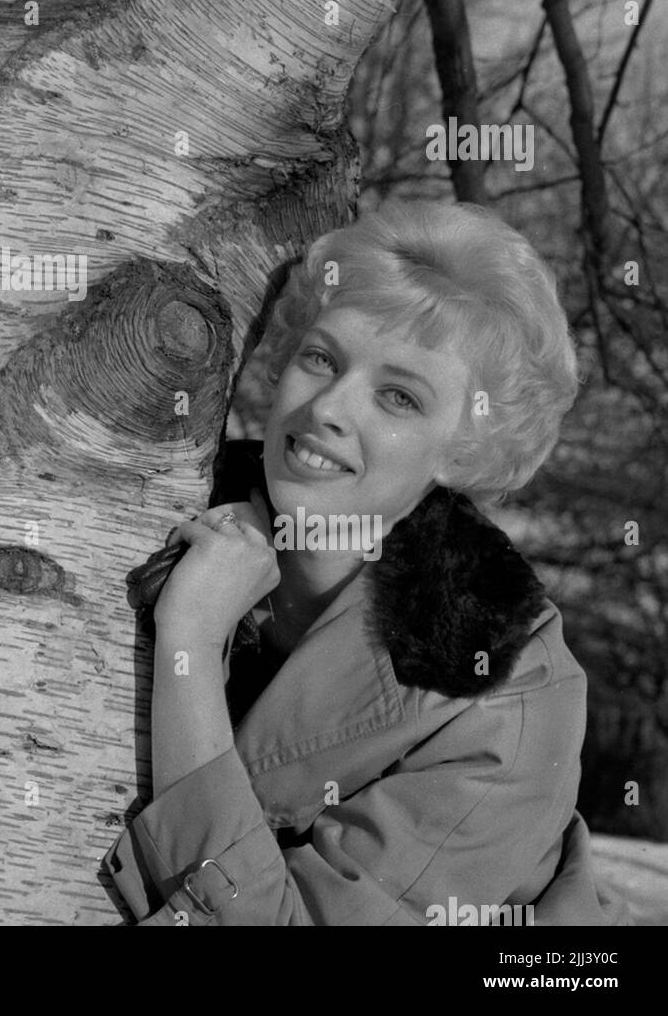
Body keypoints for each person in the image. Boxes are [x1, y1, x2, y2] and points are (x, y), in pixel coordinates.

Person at [112, 200, 617, 926]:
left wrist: (187, 644)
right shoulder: (144, 507)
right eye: (321, 358)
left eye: (398, 397)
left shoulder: (508, 695)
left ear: (461, 450)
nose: (328, 408)